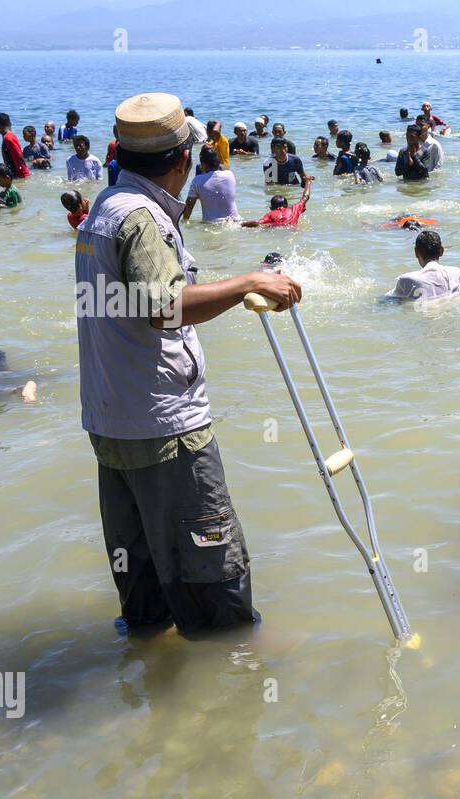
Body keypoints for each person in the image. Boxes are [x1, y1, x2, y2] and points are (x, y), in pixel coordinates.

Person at [74, 91, 301, 632]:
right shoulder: (143, 220)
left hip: (112, 423)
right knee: (211, 576)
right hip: (165, 427)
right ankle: (231, 675)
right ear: (182, 161)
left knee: (145, 588)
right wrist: (250, 280)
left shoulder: (104, 209)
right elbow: (163, 305)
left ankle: (155, 691)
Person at [386, 229, 460, 301]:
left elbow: (387, 301)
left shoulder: (407, 280)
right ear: (442, 251)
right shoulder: (456, 273)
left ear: (416, 252)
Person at [182, 145, 239, 223]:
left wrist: (184, 222)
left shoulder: (197, 181)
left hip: (211, 224)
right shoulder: (230, 175)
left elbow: (189, 206)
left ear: (203, 164)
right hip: (235, 222)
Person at [242, 175, 312, 228]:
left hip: (276, 231)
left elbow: (257, 223)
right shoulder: (294, 208)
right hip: (291, 230)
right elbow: (305, 197)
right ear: (287, 206)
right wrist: (308, 182)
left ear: (271, 208)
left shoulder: (270, 214)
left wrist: (243, 223)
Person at [0, 113, 29, 179]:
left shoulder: (8, 137)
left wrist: (24, 175)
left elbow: (18, 157)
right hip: (15, 174)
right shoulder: (7, 137)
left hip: (18, 175)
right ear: (10, 123)